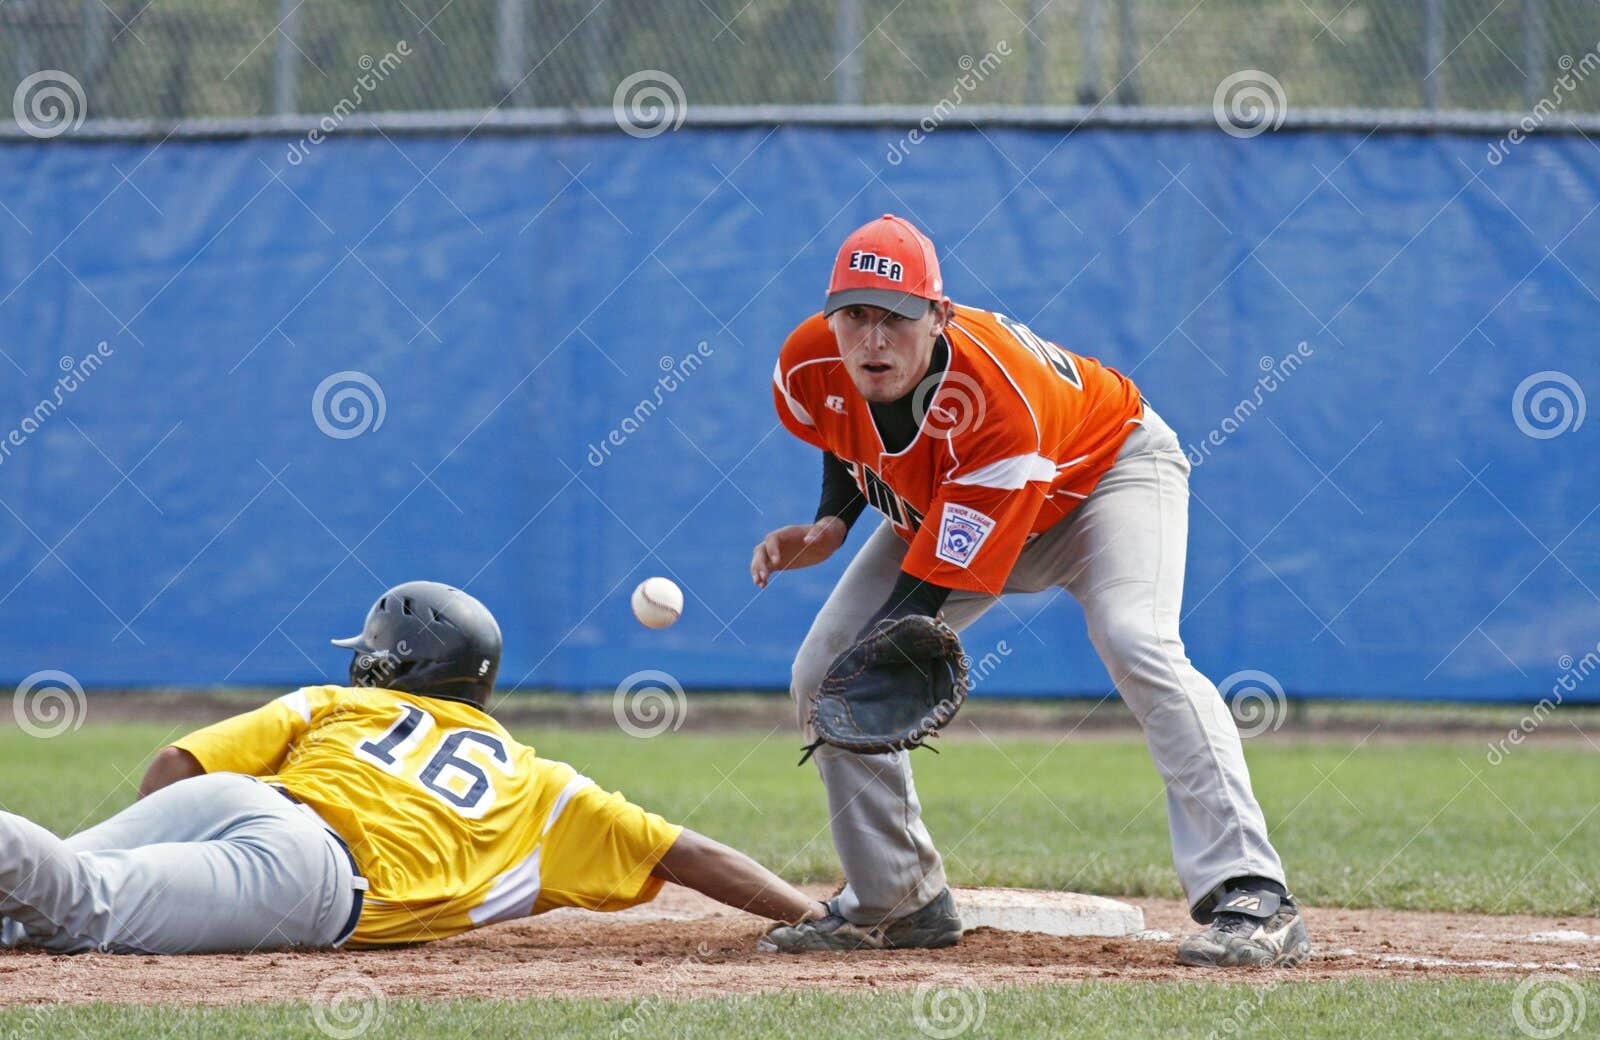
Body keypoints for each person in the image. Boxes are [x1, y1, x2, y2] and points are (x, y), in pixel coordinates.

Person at [750, 214, 1310, 967]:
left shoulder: (996, 396)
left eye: (896, 319)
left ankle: (1253, 891)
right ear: (830, 316)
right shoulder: (809, 364)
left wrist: (885, 647)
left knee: (1134, 637)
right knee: (821, 672)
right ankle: (896, 899)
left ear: (939, 316)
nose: (872, 340)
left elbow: (920, 600)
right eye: (855, 316)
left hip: (1102, 481)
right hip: (956, 497)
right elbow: (849, 434)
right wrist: (829, 524)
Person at [0, 580, 824, 954]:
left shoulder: (337, 701)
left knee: (48, 899)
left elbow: (174, 764)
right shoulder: (544, 784)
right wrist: (811, 916)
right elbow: (693, 855)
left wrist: (177, 851)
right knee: (86, 913)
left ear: (387, 669)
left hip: (233, 795)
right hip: (309, 873)